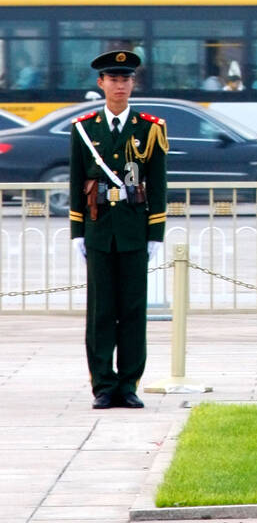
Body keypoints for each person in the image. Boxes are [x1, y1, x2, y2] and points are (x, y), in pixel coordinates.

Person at [69, 50, 168, 409]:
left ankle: (128, 384)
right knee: (100, 312)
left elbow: (157, 184)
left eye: (125, 79)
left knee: (131, 310)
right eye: (113, 79)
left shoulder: (150, 128)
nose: (119, 85)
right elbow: (77, 181)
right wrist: (77, 231)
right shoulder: (83, 128)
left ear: (133, 83)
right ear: (101, 84)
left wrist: (155, 233)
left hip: (133, 230)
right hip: (97, 229)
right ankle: (103, 386)